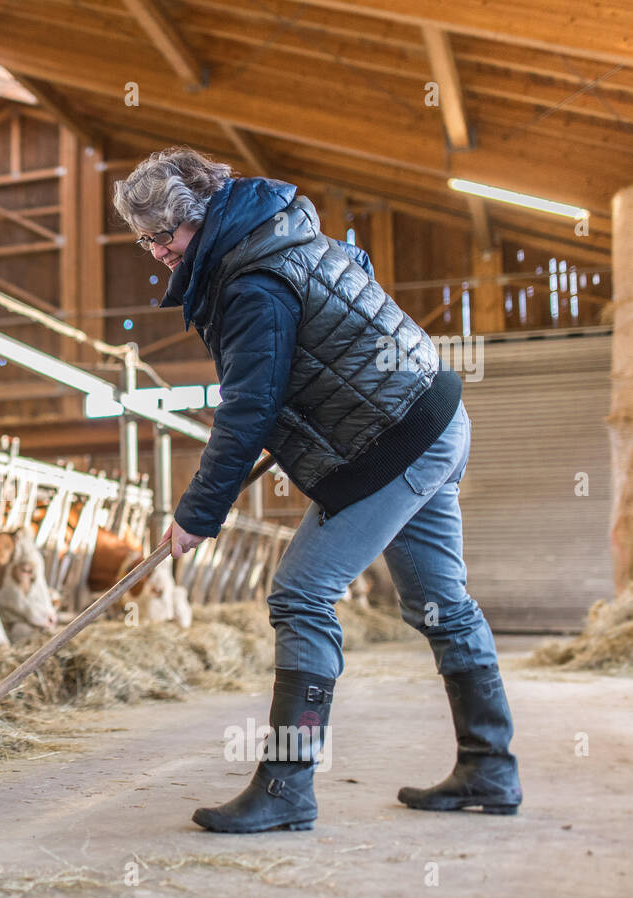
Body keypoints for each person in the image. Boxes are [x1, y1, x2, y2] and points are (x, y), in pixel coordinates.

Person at [113, 148, 521, 833]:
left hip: (396, 440)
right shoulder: (281, 229)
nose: (155, 251)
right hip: (431, 416)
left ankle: (286, 786)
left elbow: (247, 409)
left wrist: (196, 515)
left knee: (301, 593)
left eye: (164, 236)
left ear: (199, 219)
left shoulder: (250, 280)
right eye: (145, 238)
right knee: (442, 604)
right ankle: (490, 767)